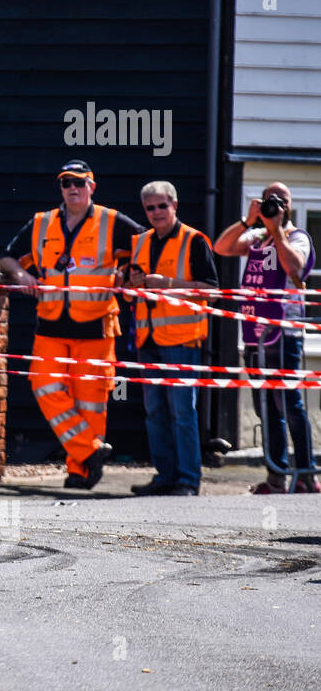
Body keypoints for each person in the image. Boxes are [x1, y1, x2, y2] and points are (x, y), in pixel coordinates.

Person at [0, 160, 143, 490]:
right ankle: (91, 450)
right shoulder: (41, 223)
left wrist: (127, 271)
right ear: (60, 188)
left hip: (95, 326)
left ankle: (81, 471)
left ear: (92, 186)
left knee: (90, 404)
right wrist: (21, 274)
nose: (72, 188)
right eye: (66, 183)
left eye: (79, 182)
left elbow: (146, 244)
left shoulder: (111, 221)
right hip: (50, 324)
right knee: (44, 388)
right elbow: (6, 256)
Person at [213, 182, 318, 494]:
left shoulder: (297, 237)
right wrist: (249, 220)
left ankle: (306, 474)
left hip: (284, 331)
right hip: (255, 332)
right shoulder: (257, 238)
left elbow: (295, 267)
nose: (275, 205)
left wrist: (278, 229)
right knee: (265, 406)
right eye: (270, 200)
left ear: (288, 205)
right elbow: (222, 247)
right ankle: (276, 475)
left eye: (281, 201)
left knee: (289, 403)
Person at [125, 182, 217, 497]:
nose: (156, 213)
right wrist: (133, 282)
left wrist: (168, 283)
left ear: (174, 205)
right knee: (155, 413)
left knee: (182, 412)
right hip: (148, 338)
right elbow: (129, 291)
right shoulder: (140, 242)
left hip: (182, 339)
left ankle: (188, 480)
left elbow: (212, 291)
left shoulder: (194, 240)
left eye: (162, 206)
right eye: (150, 208)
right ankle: (166, 476)